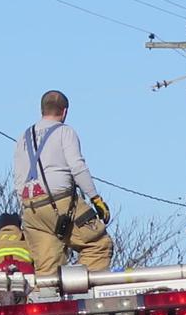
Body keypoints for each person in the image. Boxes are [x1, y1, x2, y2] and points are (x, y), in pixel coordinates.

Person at [13, 89, 113, 276]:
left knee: (47, 270)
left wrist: (26, 208)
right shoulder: (64, 132)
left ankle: (48, 302)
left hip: (31, 209)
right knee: (97, 244)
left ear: (41, 109)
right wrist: (95, 198)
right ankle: (86, 296)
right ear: (65, 111)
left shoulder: (23, 138)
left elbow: (18, 178)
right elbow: (77, 167)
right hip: (60, 203)